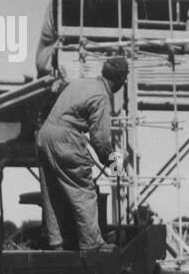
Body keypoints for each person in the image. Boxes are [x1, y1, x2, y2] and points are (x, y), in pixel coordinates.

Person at [36, 56, 128, 253]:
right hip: (65, 138)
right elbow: (101, 141)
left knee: (52, 192)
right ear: (120, 80)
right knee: (84, 190)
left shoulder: (82, 83)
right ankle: (92, 243)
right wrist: (115, 166)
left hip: (44, 134)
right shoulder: (102, 96)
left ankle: (56, 243)